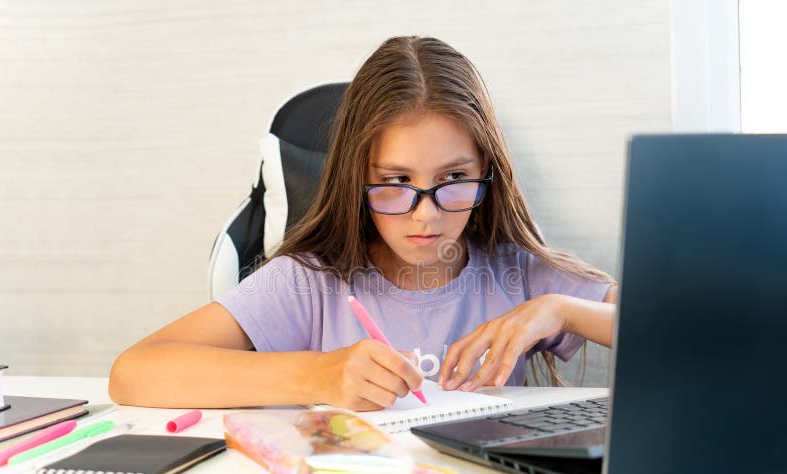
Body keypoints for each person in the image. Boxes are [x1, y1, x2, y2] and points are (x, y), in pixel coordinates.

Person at [109, 36, 617, 411]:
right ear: (358, 178)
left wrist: (562, 311)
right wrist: (316, 376)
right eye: (395, 179)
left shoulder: (519, 277)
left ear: (487, 171)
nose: (426, 213)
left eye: (454, 178)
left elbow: (688, 330)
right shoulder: (310, 282)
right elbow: (133, 372)